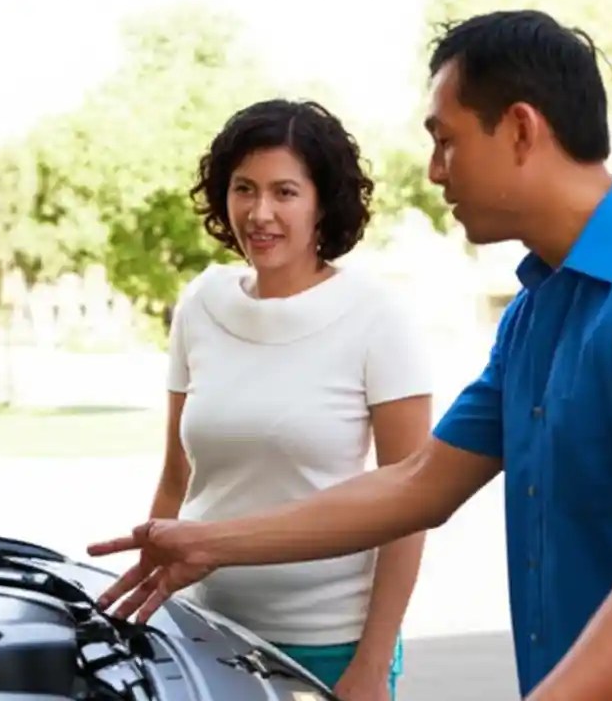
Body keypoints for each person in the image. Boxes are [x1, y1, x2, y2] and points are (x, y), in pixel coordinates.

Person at [88, 10, 612, 701]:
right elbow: (419, 482)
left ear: (520, 129)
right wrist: (209, 543)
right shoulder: (534, 312)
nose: (433, 171)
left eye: (446, 140)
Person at [144, 98, 434, 699]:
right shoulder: (201, 304)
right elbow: (176, 477)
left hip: (330, 647)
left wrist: (372, 666)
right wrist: (149, 602)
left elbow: (410, 509)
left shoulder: (378, 317)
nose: (259, 213)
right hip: (205, 635)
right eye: (243, 189)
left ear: (323, 202)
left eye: (285, 192)